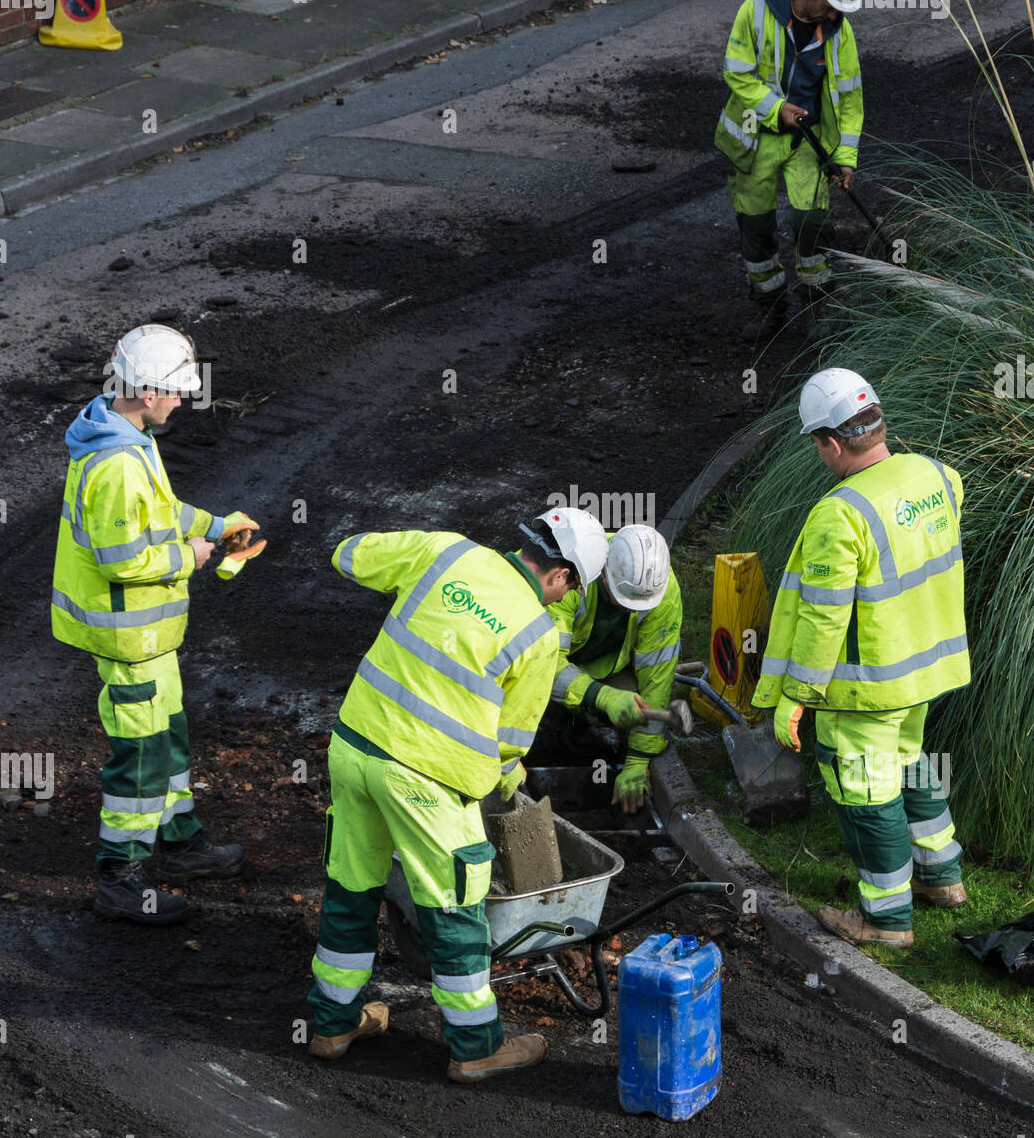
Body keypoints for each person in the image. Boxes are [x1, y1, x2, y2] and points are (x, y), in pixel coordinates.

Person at [306, 507, 608, 1082]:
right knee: (454, 908)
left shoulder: (446, 551)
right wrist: (509, 784)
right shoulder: (539, 635)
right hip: (426, 781)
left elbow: (347, 553)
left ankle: (331, 1024)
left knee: (351, 885)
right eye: (572, 590)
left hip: (353, 746)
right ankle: (475, 1047)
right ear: (563, 576)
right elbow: (508, 744)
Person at [51, 324, 263, 925]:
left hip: (150, 638)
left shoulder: (125, 434)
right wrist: (192, 557)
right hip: (129, 636)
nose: (183, 401)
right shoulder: (117, 462)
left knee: (167, 737)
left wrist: (217, 525)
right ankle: (119, 876)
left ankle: (179, 844)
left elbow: (160, 512)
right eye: (178, 391)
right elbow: (124, 558)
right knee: (141, 756)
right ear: (147, 392)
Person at [752, 368, 970, 948]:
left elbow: (823, 618)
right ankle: (942, 878)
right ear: (875, 423)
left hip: (866, 683)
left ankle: (885, 918)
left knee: (865, 789)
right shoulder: (938, 477)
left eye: (817, 444)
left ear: (830, 441)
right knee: (907, 760)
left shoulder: (840, 514)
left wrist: (795, 697)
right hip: (925, 668)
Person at [714, 0, 866, 321]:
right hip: (755, 140)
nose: (834, 15)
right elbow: (737, 73)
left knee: (811, 223)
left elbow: (850, 100)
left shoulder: (838, 31)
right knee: (756, 225)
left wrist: (845, 160)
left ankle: (818, 309)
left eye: (840, 9)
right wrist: (777, 109)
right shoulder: (754, 12)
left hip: (807, 143)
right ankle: (770, 306)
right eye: (830, 5)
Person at [548, 525, 682, 815]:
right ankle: (556, 723)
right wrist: (601, 696)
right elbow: (543, 664)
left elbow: (656, 678)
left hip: (605, 667)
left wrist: (638, 760)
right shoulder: (568, 573)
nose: (632, 611)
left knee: (633, 701)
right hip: (552, 667)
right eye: (624, 602)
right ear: (603, 571)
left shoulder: (661, 590)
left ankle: (584, 727)